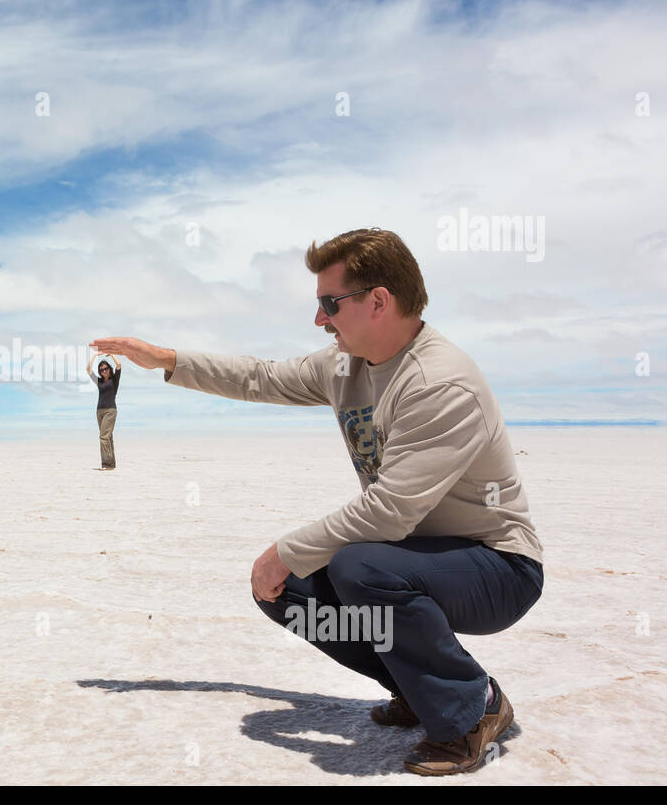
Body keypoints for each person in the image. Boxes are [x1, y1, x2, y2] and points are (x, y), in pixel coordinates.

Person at [90, 228, 544, 775]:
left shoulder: (440, 382)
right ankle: (417, 688)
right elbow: (261, 377)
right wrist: (167, 358)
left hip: (497, 566)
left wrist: (285, 548)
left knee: (358, 565)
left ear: (379, 301)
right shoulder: (344, 365)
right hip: (412, 555)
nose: (320, 319)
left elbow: (389, 511)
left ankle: (472, 708)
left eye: (330, 303)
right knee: (286, 590)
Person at [86, 353, 121, 469]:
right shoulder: (99, 381)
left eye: (106, 368)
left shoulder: (114, 380)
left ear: (109, 369)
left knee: (103, 437)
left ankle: (107, 464)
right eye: (101, 370)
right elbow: (88, 370)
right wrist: (95, 355)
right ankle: (111, 464)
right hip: (99, 411)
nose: (104, 371)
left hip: (110, 411)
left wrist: (111, 355)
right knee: (108, 437)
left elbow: (119, 365)